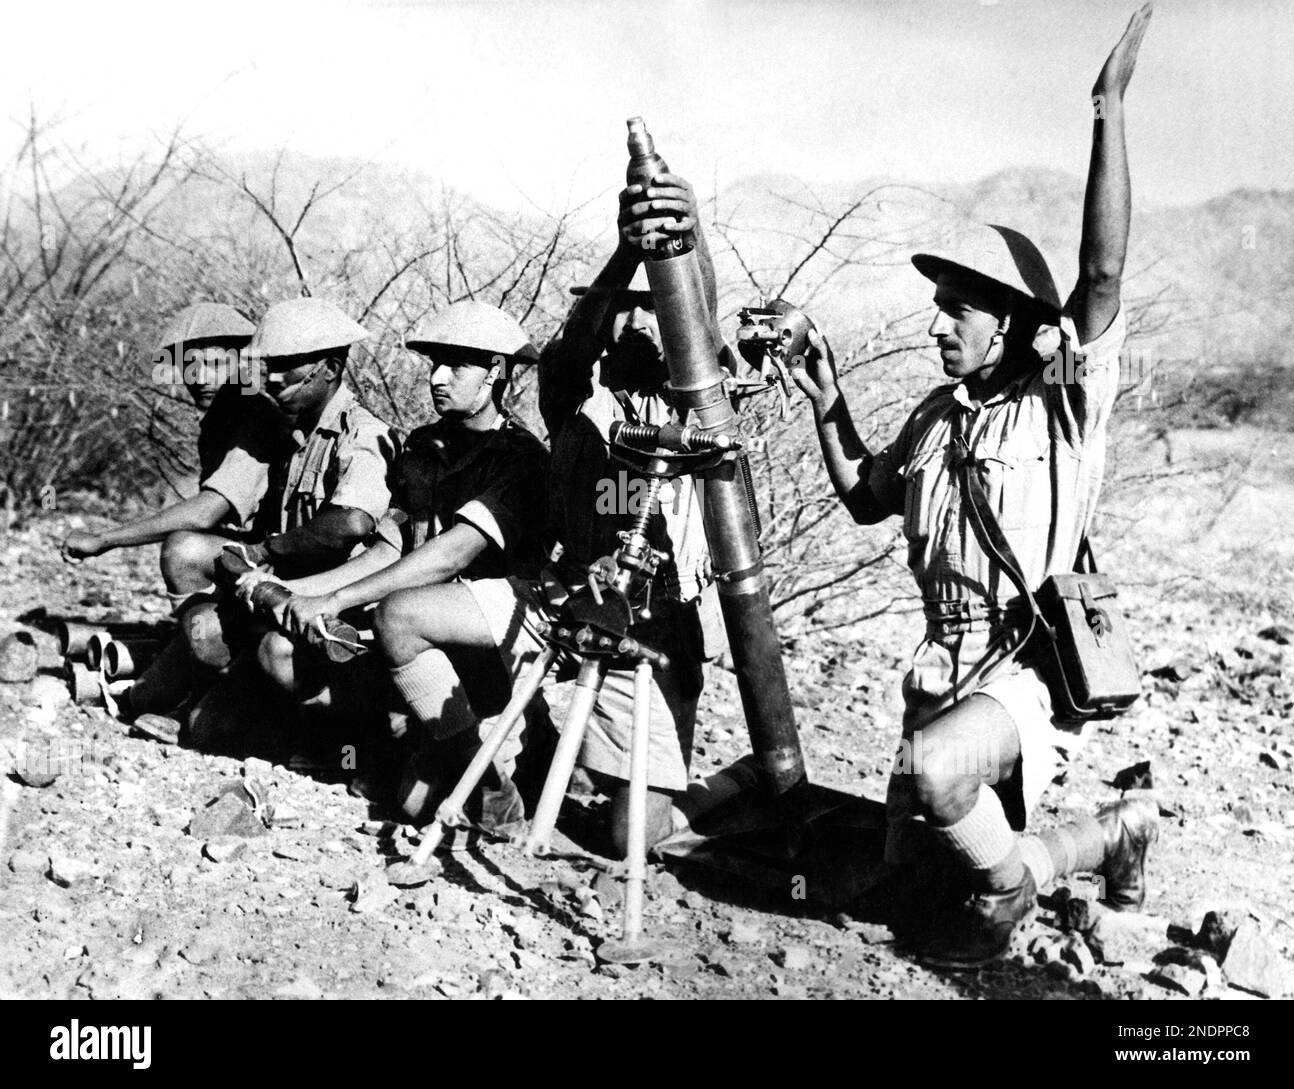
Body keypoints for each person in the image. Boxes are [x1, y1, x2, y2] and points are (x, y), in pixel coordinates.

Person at [791, 5, 1158, 966]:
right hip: (941, 667)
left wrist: (1107, 109)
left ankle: (1011, 889)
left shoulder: (1060, 404)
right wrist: (827, 400)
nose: (936, 325)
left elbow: (1104, 272)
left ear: (1007, 323)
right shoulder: (934, 415)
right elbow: (867, 497)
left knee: (941, 789)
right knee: (903, 888)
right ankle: (1112, 831)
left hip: (1026, 670)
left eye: (955, 310)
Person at [375, 170, 724, 854]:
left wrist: (689, 233)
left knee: (630, 838)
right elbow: (575, 344)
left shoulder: (700, 409)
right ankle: (485, 776)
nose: (632, 323)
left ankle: (730, 787)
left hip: (653, 627)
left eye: (651, 308)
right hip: (564, 600)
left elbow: (702, 325)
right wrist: (627, 249)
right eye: (622, 308)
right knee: (402, 616)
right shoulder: (578, 401)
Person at [250, 302, 550, 818]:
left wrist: (339, 598)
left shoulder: (520, 457)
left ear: (495, 372)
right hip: (408, 638)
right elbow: (393, 544)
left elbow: (449, 555)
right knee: (281, 650)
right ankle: (389, 741)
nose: (437, 377)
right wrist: (312, 595)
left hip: (485, 654)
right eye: (433, 363)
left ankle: (491, 771)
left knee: (418, 804)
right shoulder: (425, 443)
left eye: (456, 365)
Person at [128, 296, 399, 720]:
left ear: (329, 369)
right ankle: (227, 688)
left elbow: (351, 522)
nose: (271, 379)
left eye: (285, 367)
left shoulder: (362, 435)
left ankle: (337, 730)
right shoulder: (295, 429)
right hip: (276, 591)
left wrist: (266, 552)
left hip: (334, 603)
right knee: (201, 651)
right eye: (267, 365)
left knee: (244, 688)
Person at [60, 302, 261, 563]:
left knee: (183, 551)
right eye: (189, 365)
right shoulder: (218, 424)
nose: (199, 377)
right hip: (253, 550)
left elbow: (206, 512)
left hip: (284, 561)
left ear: (243, 366)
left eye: (215, 364)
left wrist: (104, 539)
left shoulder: (257, 419)